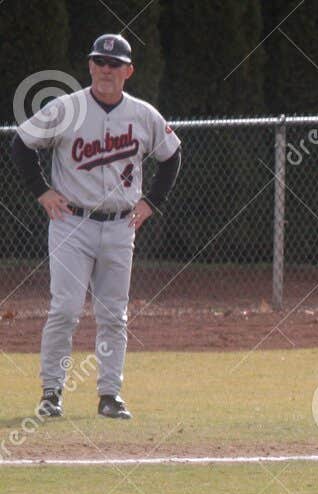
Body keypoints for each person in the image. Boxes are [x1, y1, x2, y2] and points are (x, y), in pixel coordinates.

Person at [10, 33, 182, 421]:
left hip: (121, 226)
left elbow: (172, 155)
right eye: (100, 62)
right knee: (66, 309)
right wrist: (42, 192)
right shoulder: (66, 108)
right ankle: (51, 392)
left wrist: (151, 202)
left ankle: (110, 395)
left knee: (113, 315)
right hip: (72, 222)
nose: (106, 69)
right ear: (90, 66)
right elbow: (22, 143)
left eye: (114, 64)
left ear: (128, 71)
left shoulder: (143, 115)